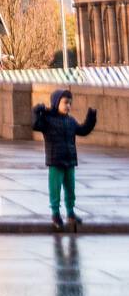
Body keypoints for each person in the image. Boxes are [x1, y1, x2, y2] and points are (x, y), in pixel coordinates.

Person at [32, 88, 97, 231]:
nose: (68, 106)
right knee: (55, 189)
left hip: (70, 160)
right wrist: (37, 112)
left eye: (70, 103)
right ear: (56, 103)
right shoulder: (48, 120)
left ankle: (70, 213)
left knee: (70, 189)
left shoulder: (71, 121)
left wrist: (91, 117)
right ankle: (55, 214)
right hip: (55, 161)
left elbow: (83, 130)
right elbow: (36, 125)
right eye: (65, 102)